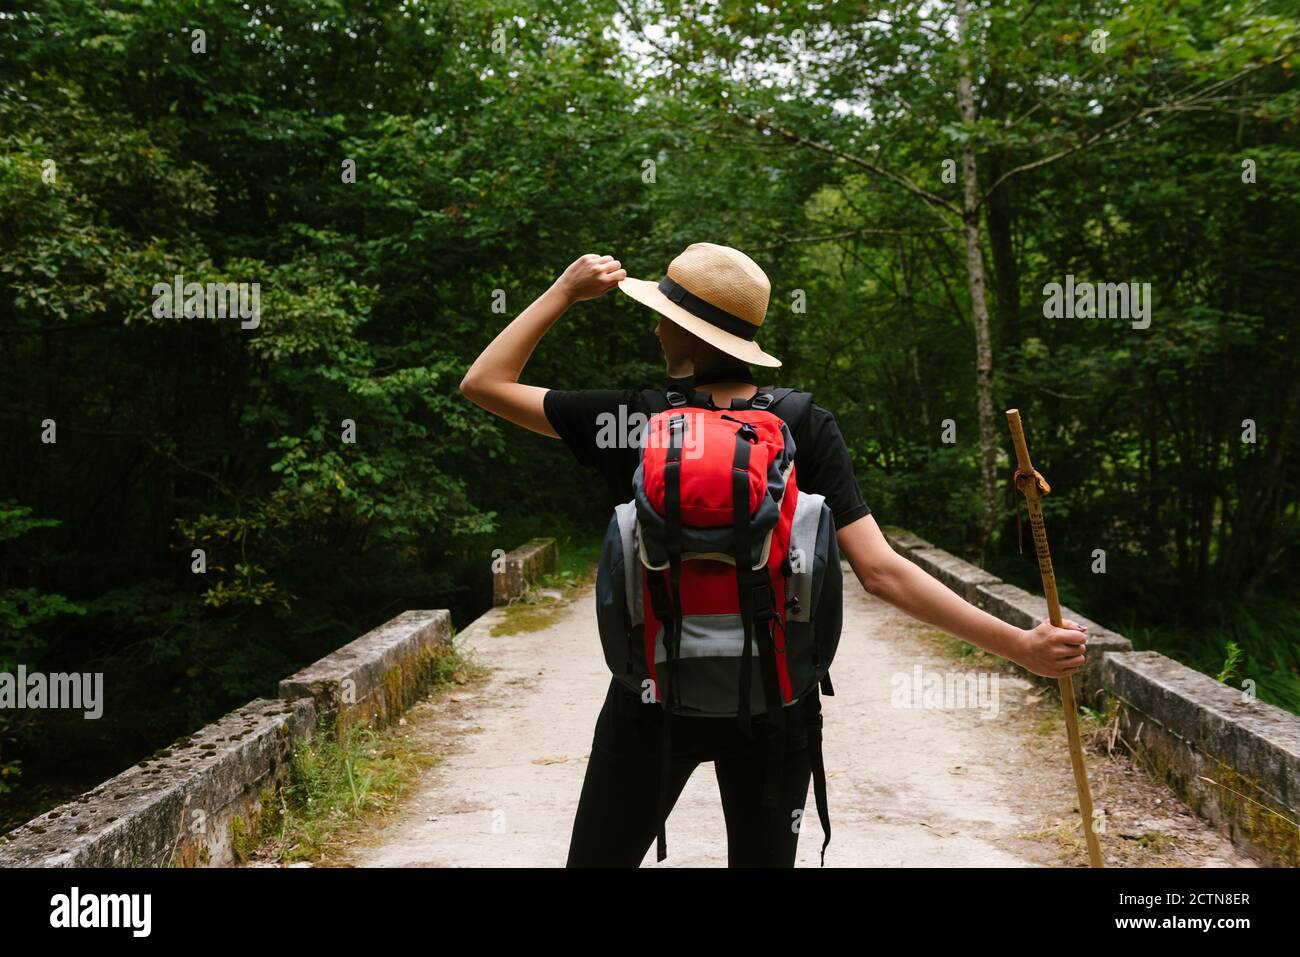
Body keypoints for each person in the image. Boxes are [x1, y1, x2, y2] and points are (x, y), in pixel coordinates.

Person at [459, 243, 1088, 867]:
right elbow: (882, 571)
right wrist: (1020, 646)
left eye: (661, 316)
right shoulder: (801, 422)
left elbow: (484, 383)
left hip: (652, 695)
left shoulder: (632, 421)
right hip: (777, 696)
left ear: (684, 329)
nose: (654, 328)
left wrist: (565, 290)